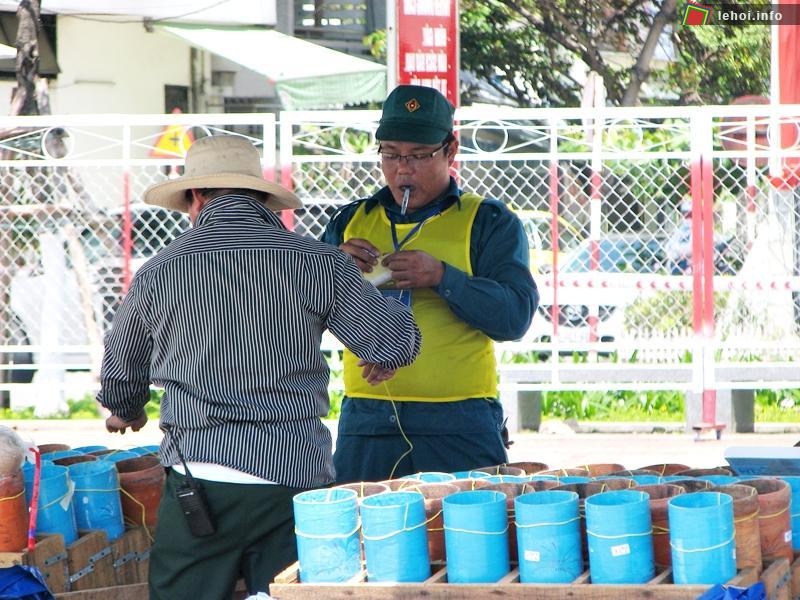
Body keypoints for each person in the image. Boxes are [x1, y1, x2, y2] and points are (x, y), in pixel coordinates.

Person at [97, 135, 421, 599]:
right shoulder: (319, 262)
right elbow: (390, 344)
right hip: (294, 474)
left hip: (200, 474)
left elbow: (122, 366)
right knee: (288, 591)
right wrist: (387, 306)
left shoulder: (159, 270)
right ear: (263, 198)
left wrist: (126, 409)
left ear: (195, 198)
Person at [322, 85, 538, 483]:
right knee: (365, 537)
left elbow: (515, 317)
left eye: (419, 155)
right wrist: (333, 274)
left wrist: (442, 277)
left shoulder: (488, 222)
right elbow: (301, 318)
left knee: (472, 537)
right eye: (389, 154)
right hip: (367, 420)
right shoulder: (348, 223)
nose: (402, 169)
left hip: (461, 418)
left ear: (450, 151)